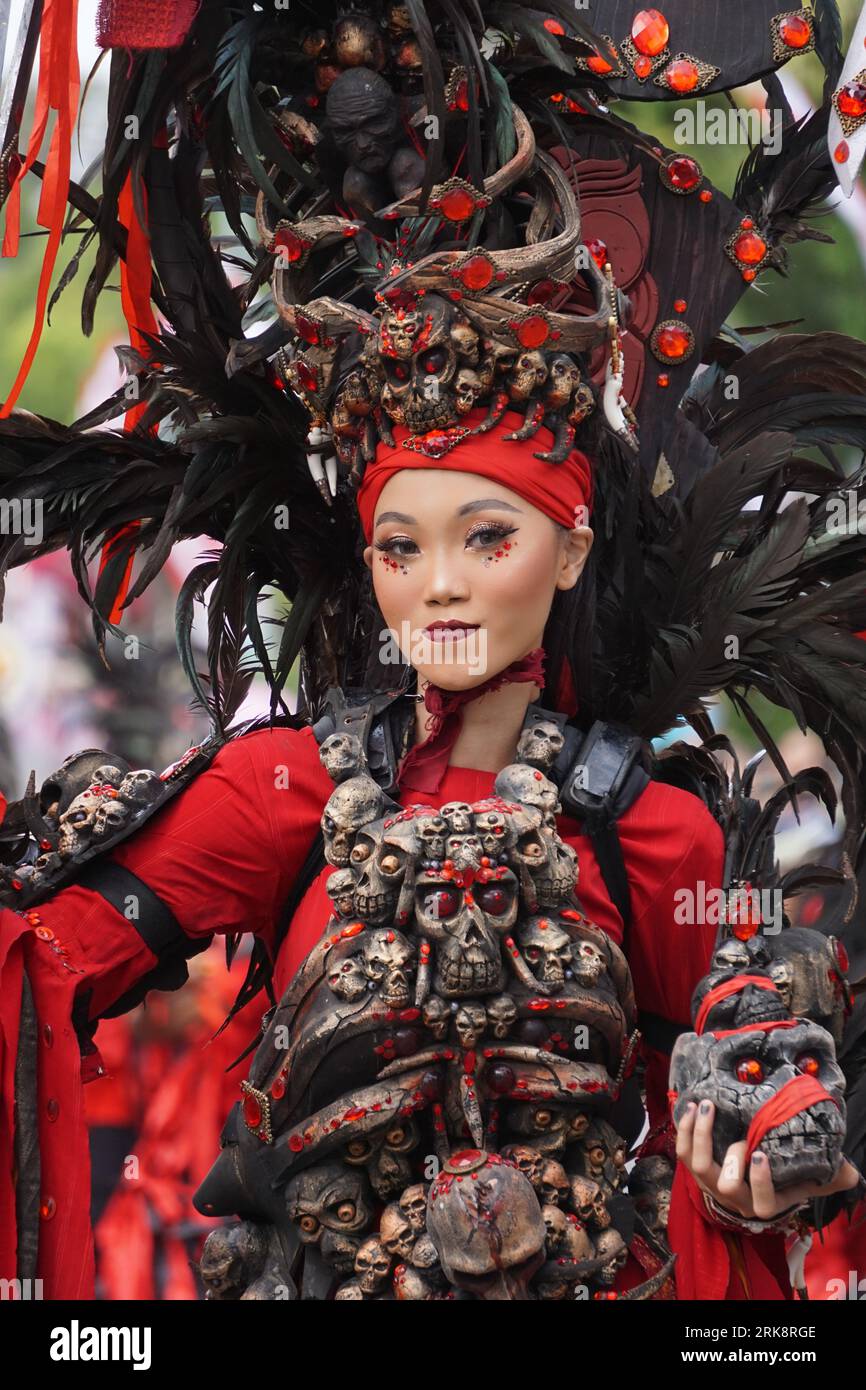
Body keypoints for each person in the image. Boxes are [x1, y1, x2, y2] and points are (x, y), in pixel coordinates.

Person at [0, 0, 865, 1302]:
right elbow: (41, 953)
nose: (439, 585)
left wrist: (765, 1161)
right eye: (401, 547)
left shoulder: (659, 834)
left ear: (567, 549)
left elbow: (757, 1112)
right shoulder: (287, 789)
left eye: (485, 537)